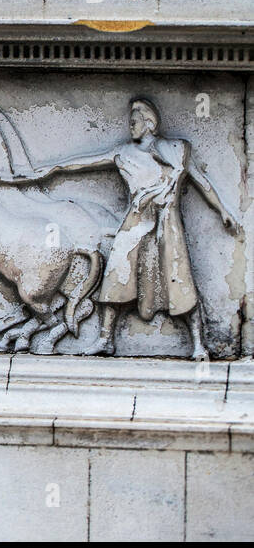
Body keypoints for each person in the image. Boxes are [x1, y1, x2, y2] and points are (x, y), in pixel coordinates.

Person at [15, 98, 239, 360]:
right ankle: (105, 339)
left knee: (178, 279)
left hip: (168, 224)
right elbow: (84, 162)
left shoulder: (177, 150)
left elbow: (202, 182)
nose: (130, 126)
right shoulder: (124, 154)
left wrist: (222, 211)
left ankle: (198, 344)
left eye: (134, 122)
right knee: (116, 276)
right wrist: (53, 169)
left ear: (149, 123)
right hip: (134, 223)